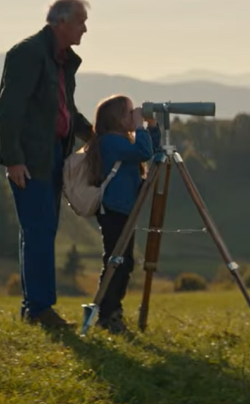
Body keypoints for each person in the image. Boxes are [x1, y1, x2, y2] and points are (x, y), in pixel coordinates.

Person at [0, 0, 94, 329]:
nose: (85, 29)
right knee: (37, 229)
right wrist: (13, 160)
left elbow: (66, 112)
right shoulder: (28, 54)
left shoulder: (62, 61)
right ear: (61, 22)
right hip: (31, 159)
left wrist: (96, 138)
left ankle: (35, 308)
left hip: (53, 155)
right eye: (80, 22)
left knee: (42, 229)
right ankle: (39, 310)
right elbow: (8, 111)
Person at [82, 94, 161, 333]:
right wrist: (140, 126)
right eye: (129, 112)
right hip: (114, 210)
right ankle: (107, 313)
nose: (133, 114)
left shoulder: (120, 142)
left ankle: (111, 311)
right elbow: (144, 152)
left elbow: (152, 151)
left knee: (123, 262)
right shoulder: (110, 143)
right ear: (116, 118)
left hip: (124, 209)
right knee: (117, 261)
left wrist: (152, 127)